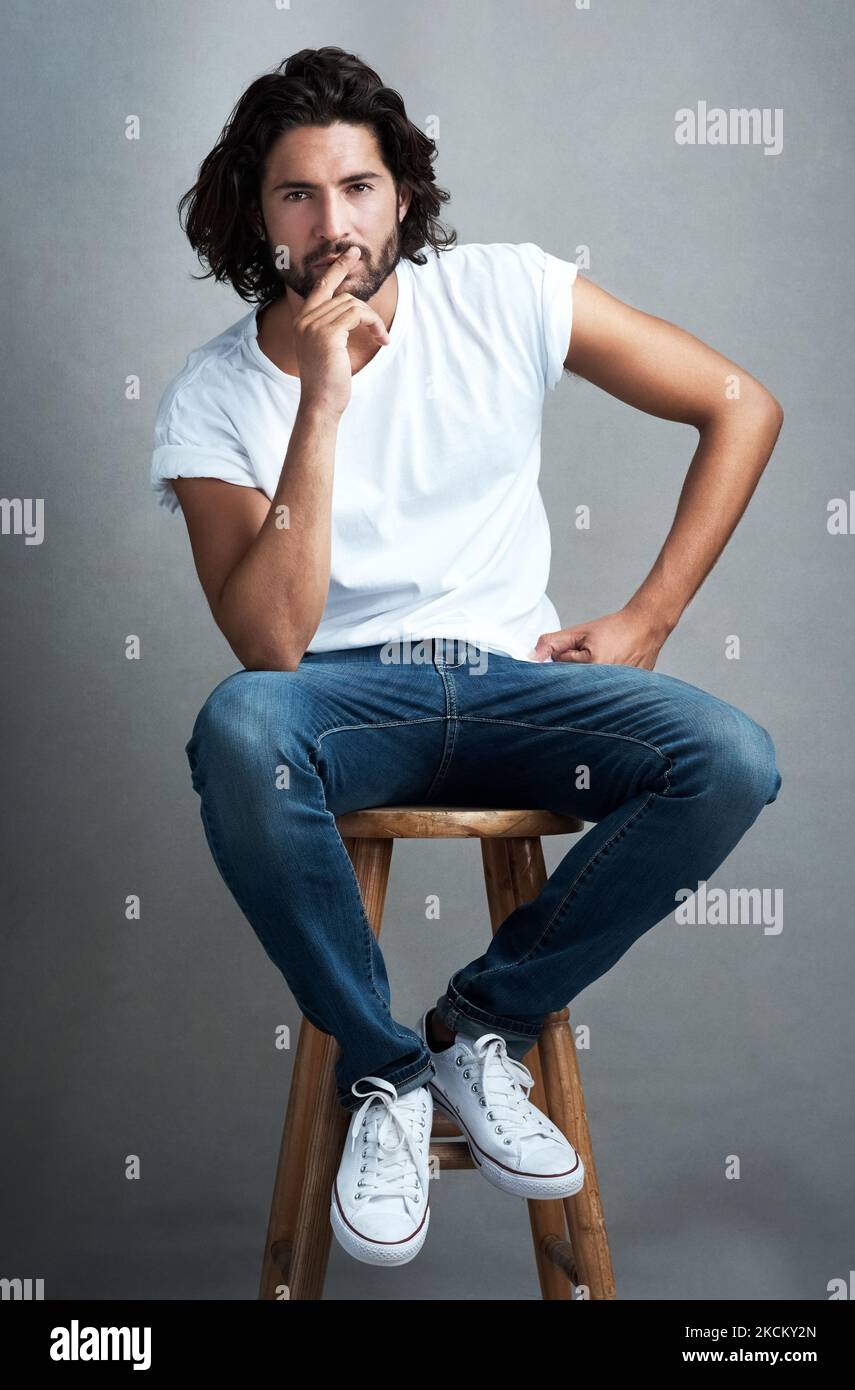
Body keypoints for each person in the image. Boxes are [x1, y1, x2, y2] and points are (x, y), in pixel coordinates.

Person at [150, 47, 783, 1269]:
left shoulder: (502, 292)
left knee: (729, 758)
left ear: (403, 194)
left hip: (518, 683)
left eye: (359, 187)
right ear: (256, 213)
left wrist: (647, 618)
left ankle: (479, 1025)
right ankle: (384, 1077)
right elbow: (272, 646)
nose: (334, 225)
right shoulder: (213, 396)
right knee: (236, 727)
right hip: (340, 703)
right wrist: (323, 402)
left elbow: (739, 403)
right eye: (297, 195)